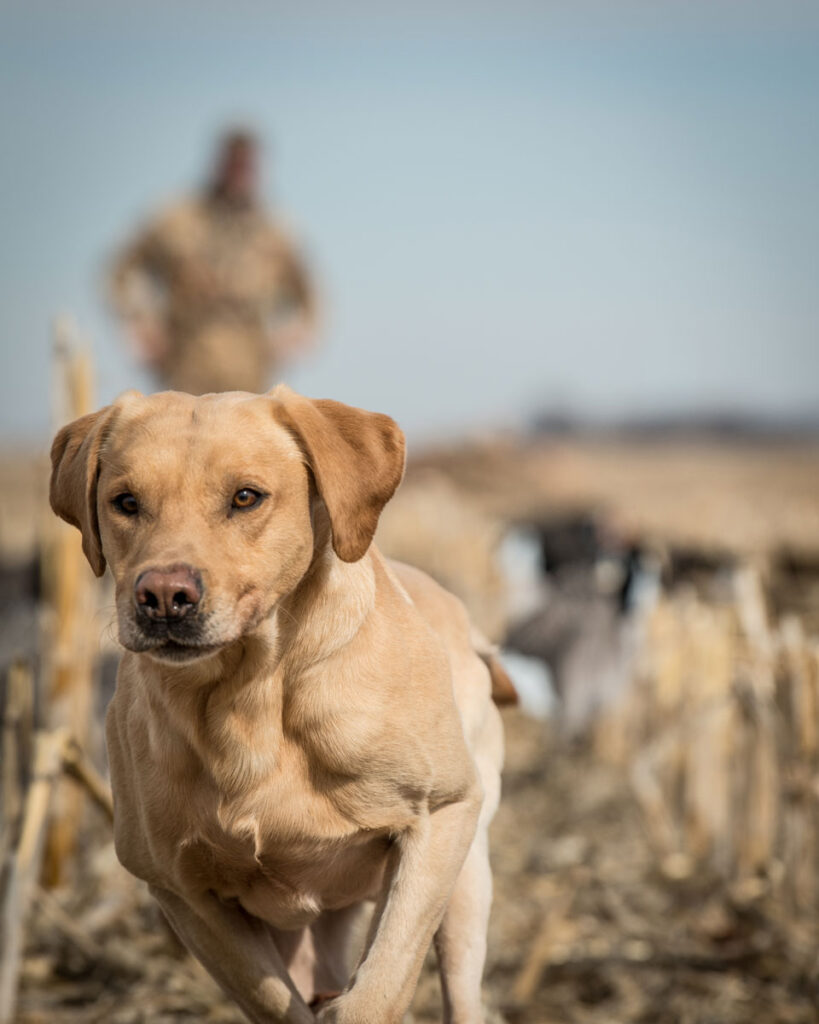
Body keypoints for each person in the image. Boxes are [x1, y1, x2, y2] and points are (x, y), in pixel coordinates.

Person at [109, 129, 318, 394]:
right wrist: (139, 322)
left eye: (247, 166)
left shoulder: (276, 230)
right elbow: (120, 271)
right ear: (219, 163)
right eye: (234, 163)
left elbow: (310, 295)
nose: (240, 173)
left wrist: (293, 336)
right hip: (186, 366)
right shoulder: (175, 217)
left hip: (251, 373)